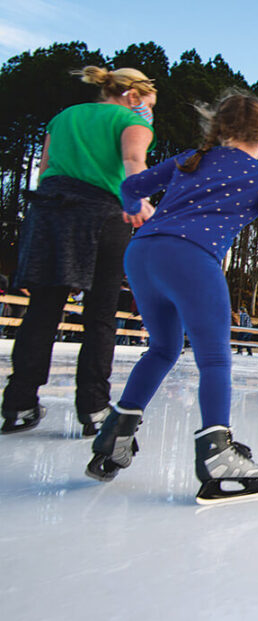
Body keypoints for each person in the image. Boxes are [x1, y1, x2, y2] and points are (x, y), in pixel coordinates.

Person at [86, 91, 258, 505]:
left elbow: (132, 184)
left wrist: (136, 207)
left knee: (162, 348)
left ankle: (114, 435)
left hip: (142, 253)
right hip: (191, 259)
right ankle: (217, 455)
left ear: (220, 128)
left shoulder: (192, 158)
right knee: (213, 357)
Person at [1, 66, 157, 436]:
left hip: (50, 211)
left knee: (41, 311)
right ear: (134, 96)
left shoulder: (63, 117)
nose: (150, 112)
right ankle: (94, 408)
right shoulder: (130, 120)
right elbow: (134, 163)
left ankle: (19, 403)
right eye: (149, 104)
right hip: (102, 214)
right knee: (100, 315)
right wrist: (140, 201)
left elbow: (45, 168)